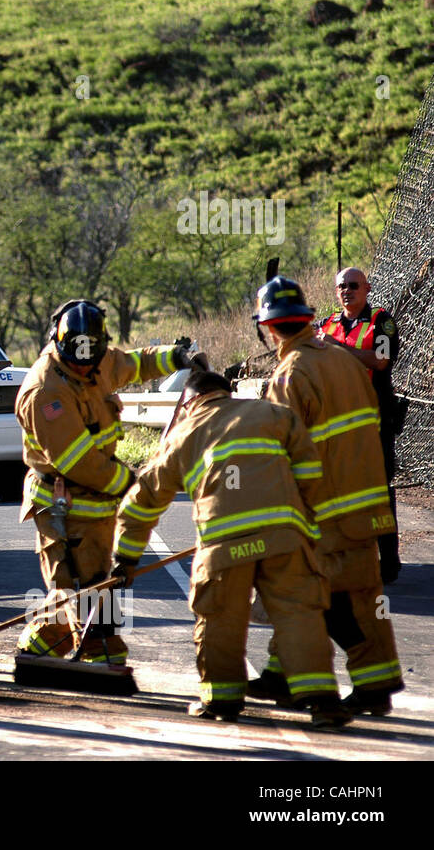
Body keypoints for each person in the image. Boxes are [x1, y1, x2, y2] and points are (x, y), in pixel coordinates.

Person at [113, 371, 350, 727]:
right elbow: (310, 470)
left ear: (189, 402)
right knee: (299, 614)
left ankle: (221, 702)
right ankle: (323, 701)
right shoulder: (273, 414)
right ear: (227, 393)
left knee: (219, 616)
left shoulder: (182, 434)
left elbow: (141, 503)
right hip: (283, 536)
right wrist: (304, 522)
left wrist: (125, 559)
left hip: (223, 545)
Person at [250, 276, 403, 717]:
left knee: (311, 596)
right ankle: (369, 684)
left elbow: (278, 452)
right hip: (366, 502)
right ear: (306, 318)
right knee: (362, 596)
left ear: (269, 327)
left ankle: (306, 685)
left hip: (325, 511)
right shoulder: (341, 358)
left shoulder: (291, 375)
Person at [13, 300, 190, 665]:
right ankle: (97, 652)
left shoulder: (97, 357)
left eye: (90, 360)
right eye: (75, 360)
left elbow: (135, 364)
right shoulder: (46, 392)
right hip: (61, 501)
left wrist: (176, 358)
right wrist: (131, 482)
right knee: (82, 587)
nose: (83, 367)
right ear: (59, 344)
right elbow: (77, 461)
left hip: (98, 502)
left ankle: (44, 651)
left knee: (87, 588)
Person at [318, 266, 402, 583]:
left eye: (354, 285)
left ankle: (389, 560)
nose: (347, 290)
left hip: (374, 420)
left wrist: (335, 347)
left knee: (379, 490)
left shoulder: (382, 321)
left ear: (366, 288)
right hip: (337, 423)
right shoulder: (327, 325)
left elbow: (380, 360)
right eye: (342, 286)